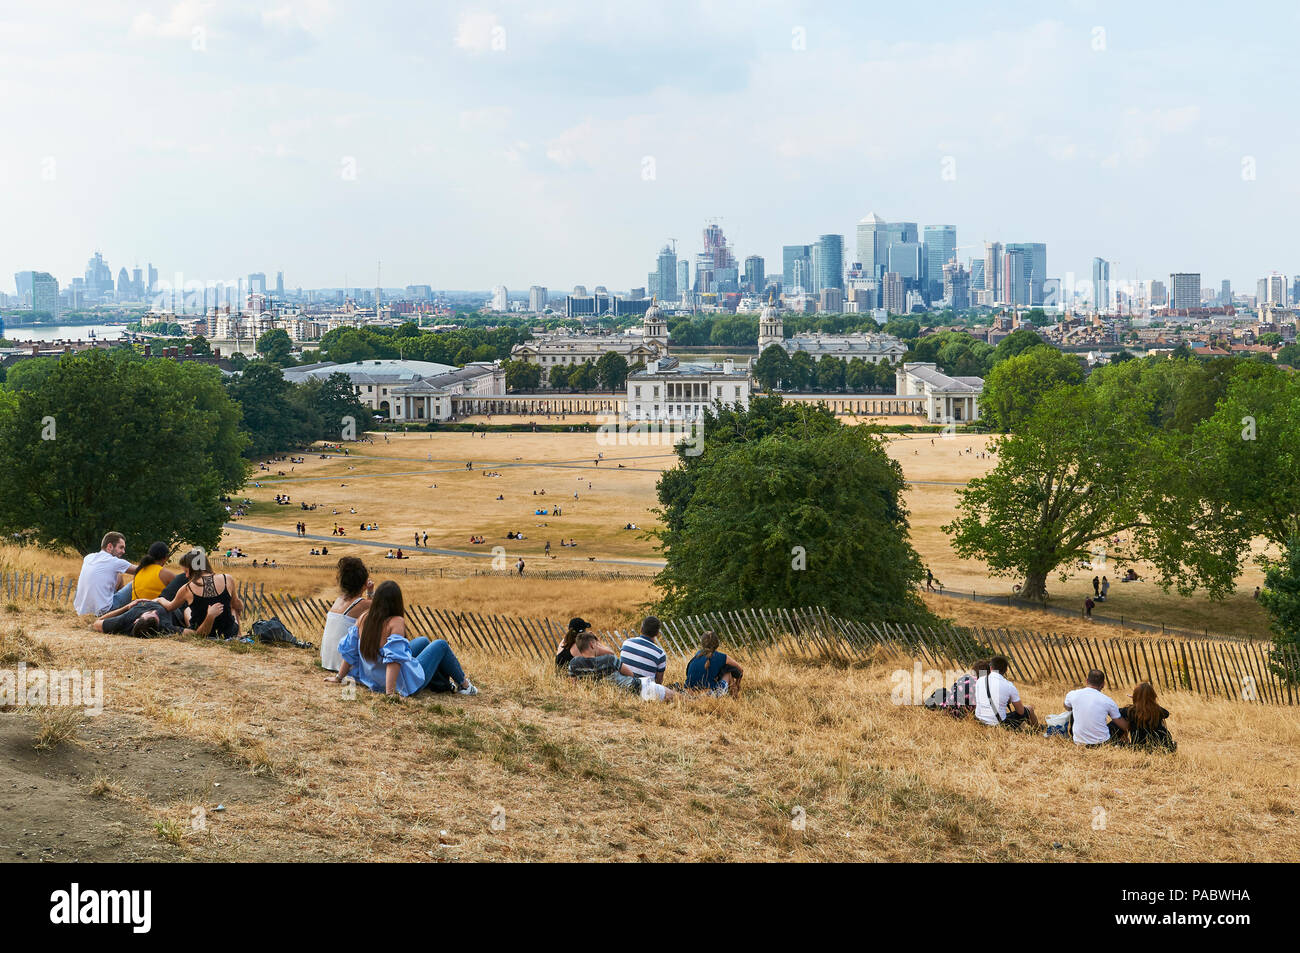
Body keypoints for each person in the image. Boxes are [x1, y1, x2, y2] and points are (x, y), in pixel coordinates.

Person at [324, 581, 477, 697]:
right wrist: (390, 693)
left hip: (372, 677)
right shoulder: (395, 622)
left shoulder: (364, 617)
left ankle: (442, 682)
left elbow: (349, 650)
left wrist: (339, 677)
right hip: (398, 683)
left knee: (423, 641)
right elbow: (394, 660)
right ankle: (465, 685)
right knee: (441, 645)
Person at [148, 554, 243, 641]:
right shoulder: (227, 579)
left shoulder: (187, 588)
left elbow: (170, 607)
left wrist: (160, 599)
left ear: (191, 569)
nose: (186, 575)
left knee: (187, 609)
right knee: (234, 607)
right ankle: (239, 636)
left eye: (186, 571)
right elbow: (236, 604)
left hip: (201, 632)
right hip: (228, 632)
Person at [568, 632, 675, 701]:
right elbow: (631, 674)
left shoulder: (573, 663)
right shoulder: (609, 659)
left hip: (616, 695)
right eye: (597, 643)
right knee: (673, 695)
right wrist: (599, 645)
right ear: (592, 644)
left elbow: (574, 686)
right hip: (634, 688)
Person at [321, 557, 374, 672]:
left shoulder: (338, 600)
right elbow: (374, 612)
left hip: (327, 661)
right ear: (364, 582)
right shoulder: (363, 604)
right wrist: (370, 592)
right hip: (344, 665)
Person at [74, 532, 138, 616]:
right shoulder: (114, 562)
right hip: (104, 612)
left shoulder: (88, 557)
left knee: (118, 574)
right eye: (121, 548)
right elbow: (140, 570)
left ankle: (122, 608)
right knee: (137, 583)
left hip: (82, 612)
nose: (123, 551)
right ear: (110, 546)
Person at [1063, 670, 1128, 747]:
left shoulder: (1073, 694)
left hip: (1078, 742)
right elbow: (1121, 724)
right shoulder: (1108, 701)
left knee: (1073, 710)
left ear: (1087, 681)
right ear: (1103, 684)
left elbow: (1067, 707)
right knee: (1122, 714)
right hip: (1102, 743)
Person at [974, 655, 1038, 729]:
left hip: (980, 721)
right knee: (1029, 708)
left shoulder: (980, 680)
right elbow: (1021, 711)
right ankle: (1037, 730)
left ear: (991, 668)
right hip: (997, 724)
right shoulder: (1009, 686)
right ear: (1006, 670)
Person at [619, 617, 669, 698]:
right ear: (657, 633)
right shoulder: (660, 653)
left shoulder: (626, 643)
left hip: (623, 687)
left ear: (641, 629)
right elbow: (659, 682)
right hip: (645, 693)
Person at [1117, 682, 1176, 752]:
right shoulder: (1157, 710)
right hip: (1163, 745)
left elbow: (1115, 712)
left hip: (1140, 747)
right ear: (1153, 696)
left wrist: (1137, 699)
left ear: (1135, 696)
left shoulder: (1130, 711)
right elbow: (1166, 713)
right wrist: (1149, 701)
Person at [683, 630, 743, 697]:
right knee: (728, 672)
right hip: (708, 695)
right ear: (717, 643)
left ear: (702, 643)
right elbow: (740, 670)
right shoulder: (722, 657)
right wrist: (738, 684)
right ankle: (735, 695)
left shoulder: (698, 654)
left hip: (688, 693)